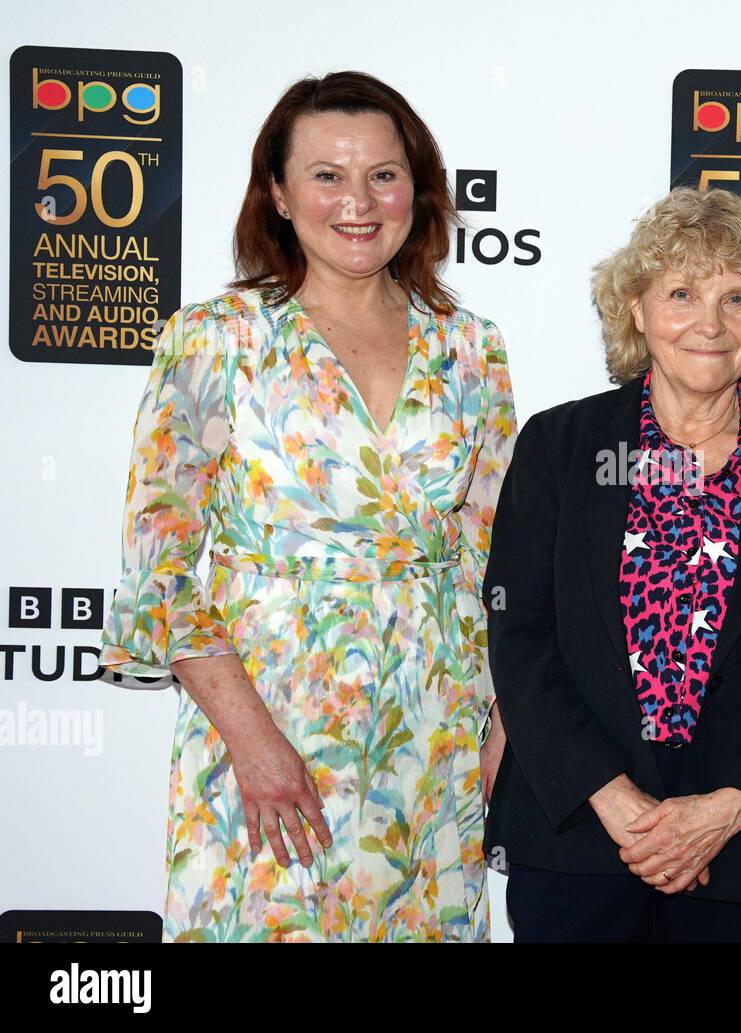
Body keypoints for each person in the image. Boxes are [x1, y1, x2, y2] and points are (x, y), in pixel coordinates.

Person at [99, 71, 515, 942]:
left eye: (383, 175)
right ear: (279, 194)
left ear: (418, 189)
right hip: (269, 725)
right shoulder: (216, 337)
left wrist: (503, 722)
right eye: (327, 175)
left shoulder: (469, 346)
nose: (358, 202)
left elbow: (497, 556)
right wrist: (252, 744)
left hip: (432, 732)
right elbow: (159, 565)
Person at [483, 188, 741, 942]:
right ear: (636, 308)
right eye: (682, 293)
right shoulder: (559, 449)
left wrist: (726, 808)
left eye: (738, 297)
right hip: (578, 841)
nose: (711, 323)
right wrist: (622, 806)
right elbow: (520, 640)